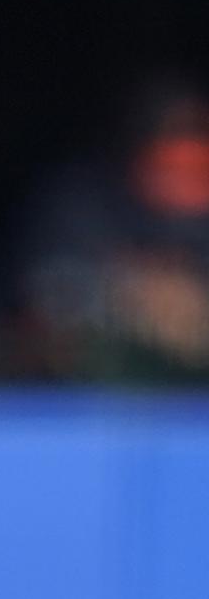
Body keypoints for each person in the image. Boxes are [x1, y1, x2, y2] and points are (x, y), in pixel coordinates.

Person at [16, 80, 209, 378]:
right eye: (170, 164)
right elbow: (40, 295)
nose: (185, 179)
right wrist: (127, 296)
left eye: (198, 167)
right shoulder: (78, 203)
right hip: (80, 395)